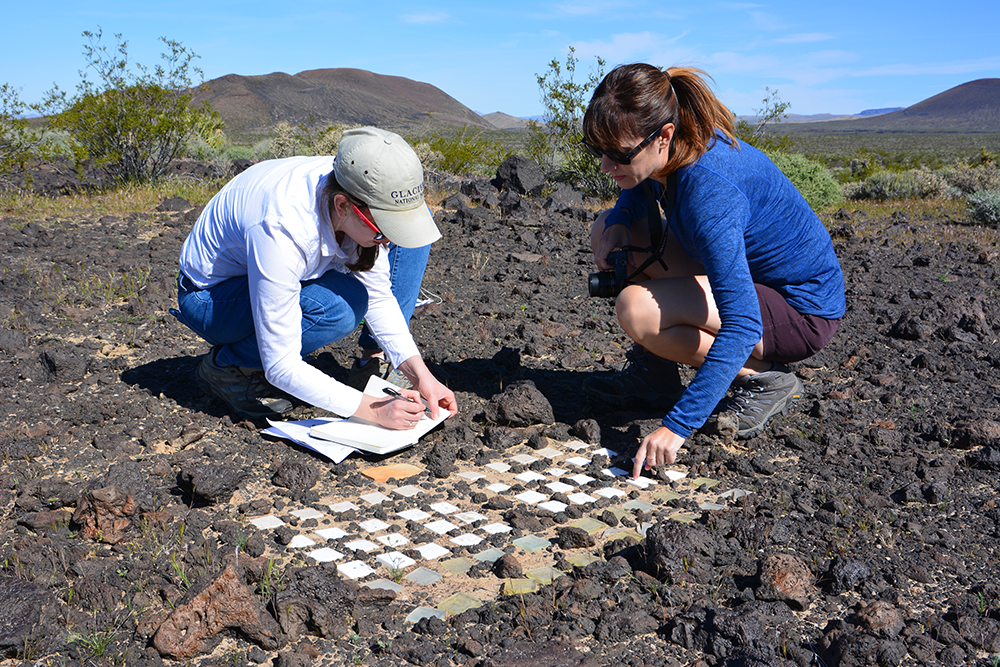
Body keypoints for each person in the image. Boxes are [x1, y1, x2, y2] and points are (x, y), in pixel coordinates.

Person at [579, 64, 845, 478]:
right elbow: (642, 185)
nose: (605, 165)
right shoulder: (676, 144)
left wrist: (677, 425)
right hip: (750, 281)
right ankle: (656, 375)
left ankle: (763, 379)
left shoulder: (710, 191)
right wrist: (618, 220)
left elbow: (742, 322)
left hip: (800, 310)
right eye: (599, 151)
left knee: (638, 309)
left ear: (662, 135)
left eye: (618, 154)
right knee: (611, 231)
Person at [171, 126, 457, 429]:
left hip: (263, 278)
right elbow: (281, 365)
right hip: (210, 300)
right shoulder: (282, 226)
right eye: (382, 230)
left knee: (384, 269)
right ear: (343, 206)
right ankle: (229, 366)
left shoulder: (357, 182)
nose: (387, 241)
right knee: (339, 308)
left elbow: (379, 295)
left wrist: (421, 376)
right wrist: (371, 410)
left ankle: (373, 365)